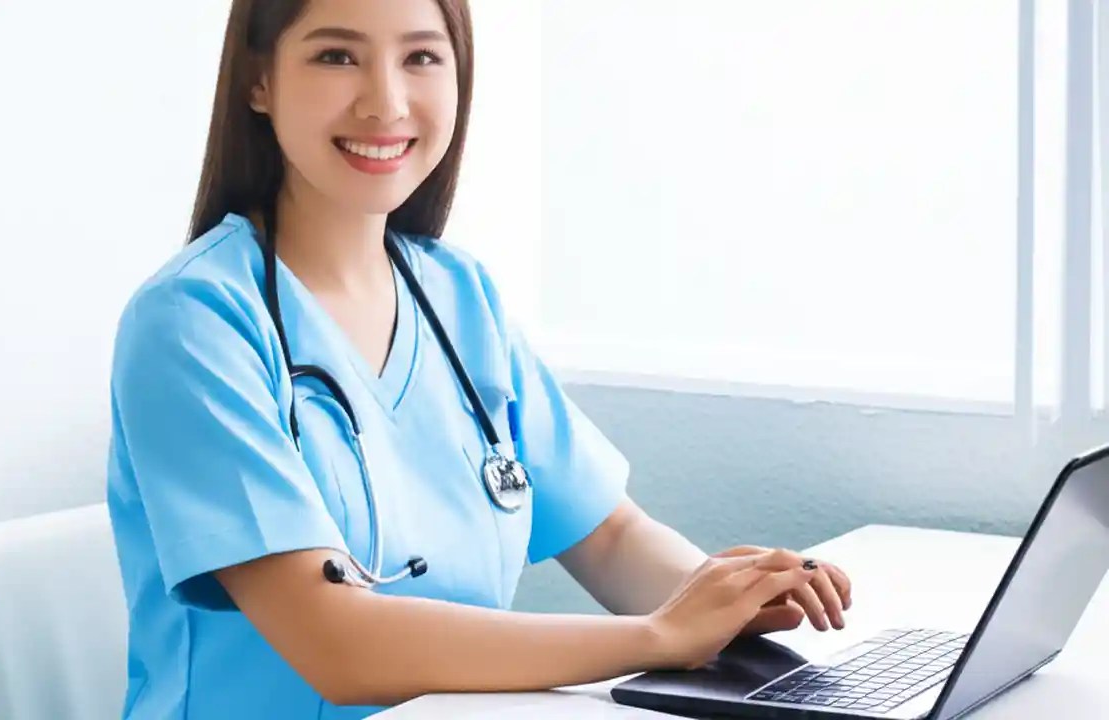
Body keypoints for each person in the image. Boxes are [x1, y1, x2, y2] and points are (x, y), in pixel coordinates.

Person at [104, 0, 853, 718]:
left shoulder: (459, 296)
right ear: (258, 80)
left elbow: (611, 537)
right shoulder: (194, 322)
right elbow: (334, 643)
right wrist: (658, 636)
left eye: (422, 56)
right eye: (337, 55)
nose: (386, 101)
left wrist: (725, 597)